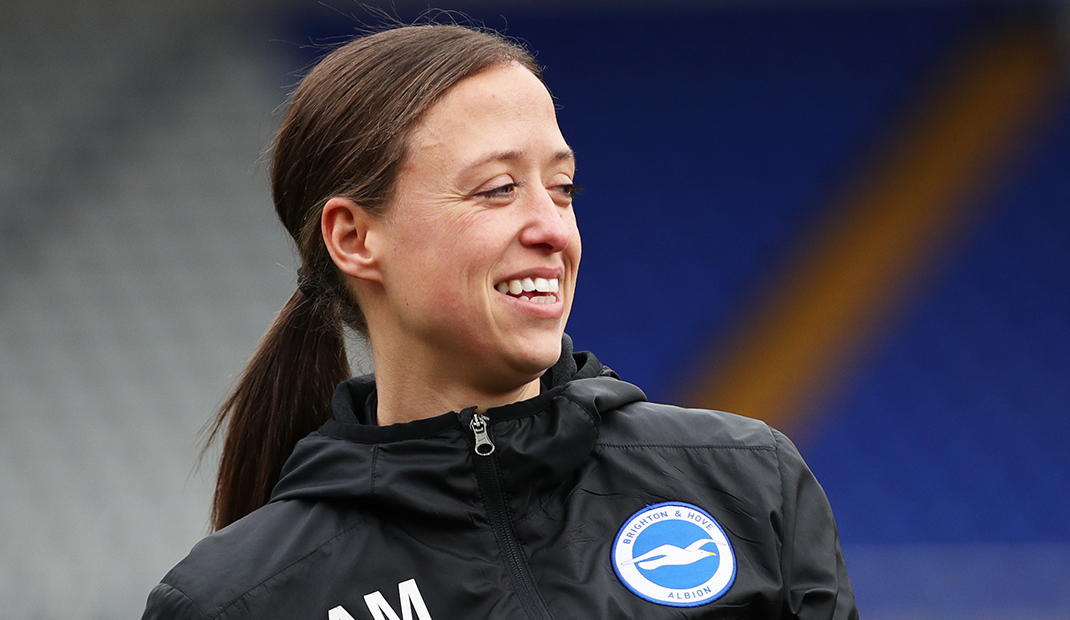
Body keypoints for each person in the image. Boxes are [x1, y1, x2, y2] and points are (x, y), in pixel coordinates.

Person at [144, 23, 857, 620]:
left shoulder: (745, 481)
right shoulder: (236, 600)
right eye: (498, 189)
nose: (553, 229)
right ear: (355, 238)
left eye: (563, 187)